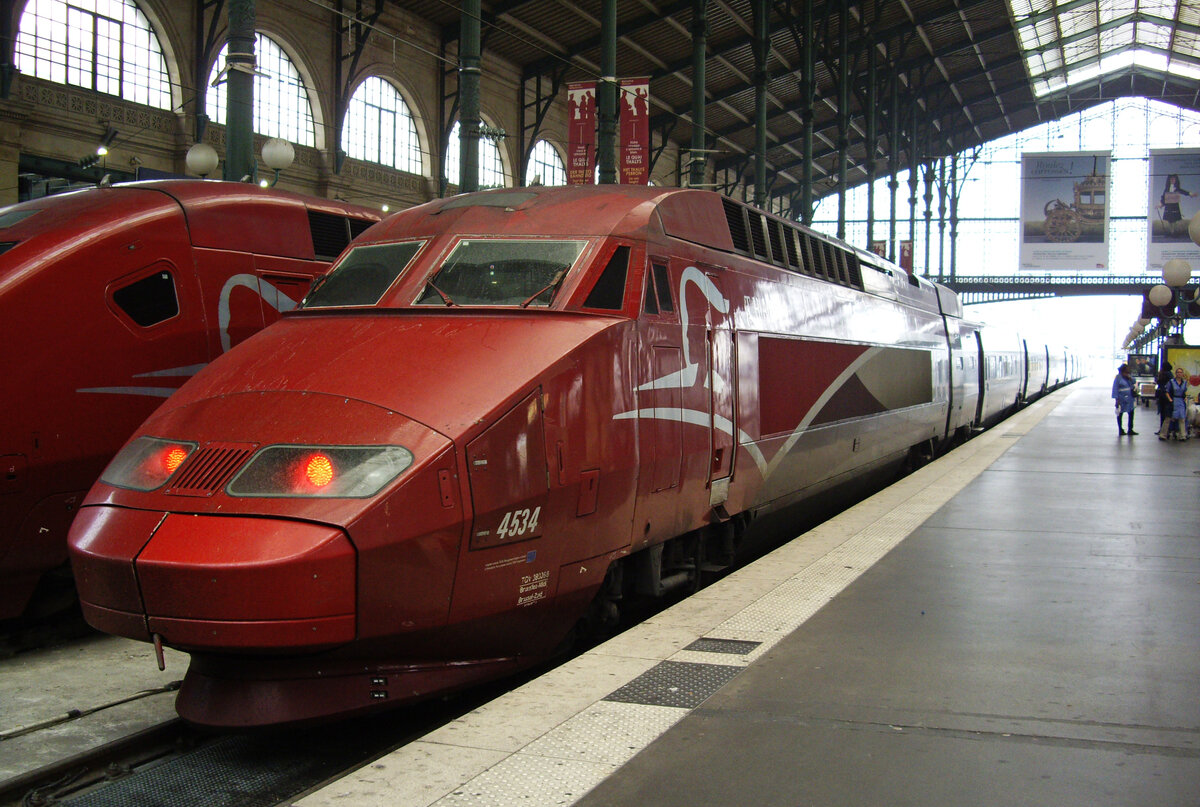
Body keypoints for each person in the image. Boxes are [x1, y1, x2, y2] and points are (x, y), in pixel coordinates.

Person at [1165, 366, 1189, 441]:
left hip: (1181, 401)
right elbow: (1167, 391)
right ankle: (1163, 434)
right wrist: (1170, 400)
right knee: (1169, 418)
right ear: (1175, 373)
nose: (1179, 374)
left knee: (1182, 418)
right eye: (1178, 372)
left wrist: (1185, 398)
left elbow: (1184, 391)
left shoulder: (1184, 382)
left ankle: (1183, 435)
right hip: (1173, 400)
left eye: (1181, 372)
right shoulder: (1171, 382)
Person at [1112, 363, 1137, 436]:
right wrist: (1117, 399)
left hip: (1130, 398)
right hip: (1121, 398)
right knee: (1120, 413)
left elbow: (1134, 381)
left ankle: (1130, 429)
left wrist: (1129, 377)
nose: (1127, 373)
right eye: (1126, 372)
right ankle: (1120, 429)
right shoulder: (1118, 378)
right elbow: (1115, 388)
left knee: (1131, 412)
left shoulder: (1129, 377)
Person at [1156, 364, 1173, 439]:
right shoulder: (1170, 375)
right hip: (1167, 396)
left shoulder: (1161, 374)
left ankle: (1162, 430)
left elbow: (1158, 382)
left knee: (1162, 414)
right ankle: (1167, 431)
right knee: (1167, 414)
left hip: (1161, 396)